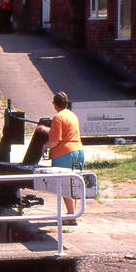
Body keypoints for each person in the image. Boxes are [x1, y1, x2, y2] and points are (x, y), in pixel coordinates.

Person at [43, 90, 85, 221]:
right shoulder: (72, 115)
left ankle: (71, 215)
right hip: (79, 151)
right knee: (74, 183)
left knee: (64, 184)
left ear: (54, 104)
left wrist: (44, 146)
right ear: (66, 103)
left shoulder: (58, 117)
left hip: (64, 153)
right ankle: (73, 214)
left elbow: (55, 141)